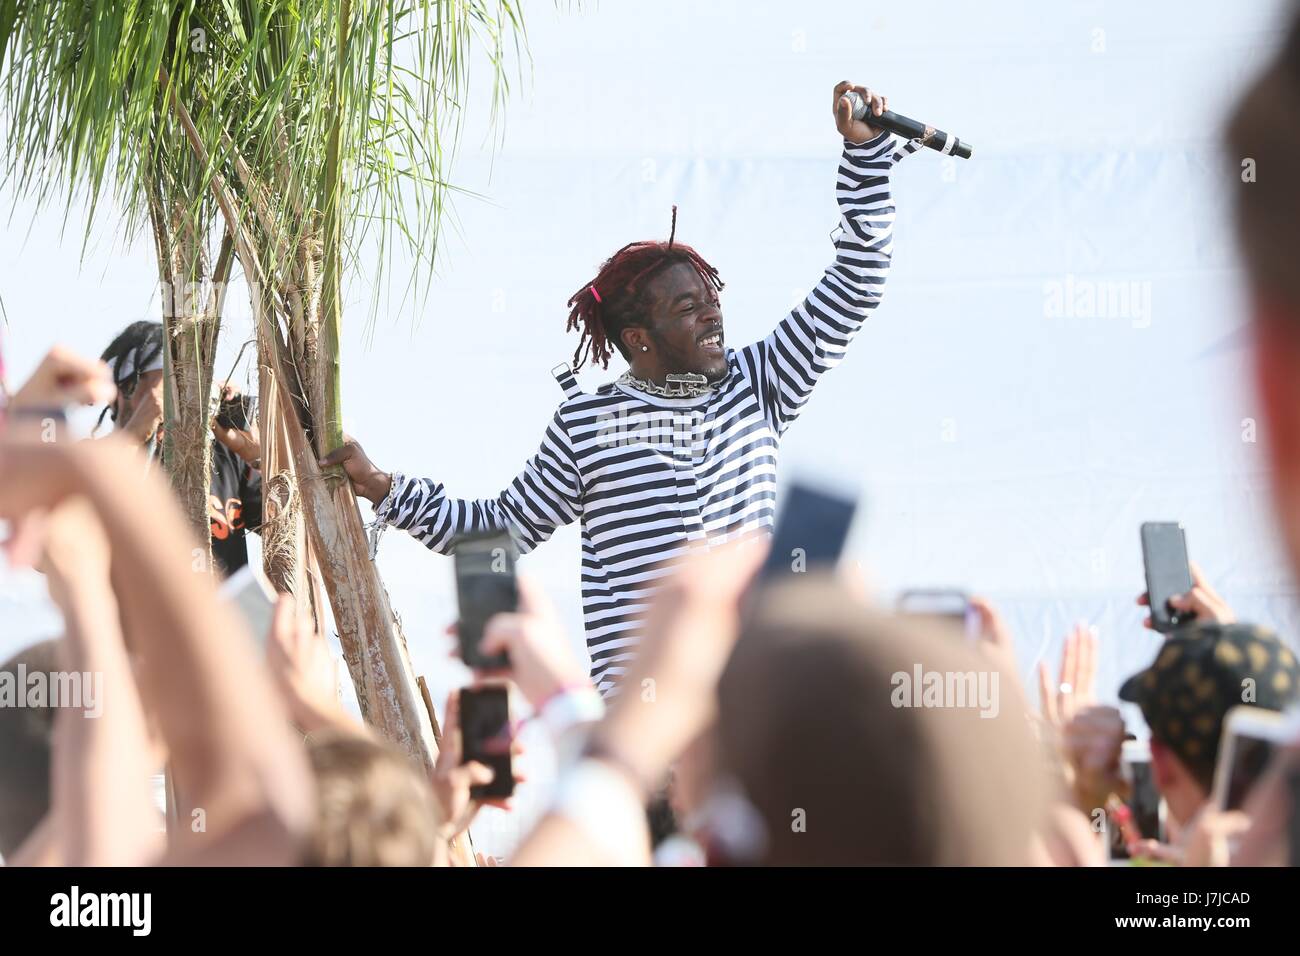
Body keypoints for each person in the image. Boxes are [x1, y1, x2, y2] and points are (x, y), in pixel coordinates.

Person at [324, 81, 932, 694]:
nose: (713, 316)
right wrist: (383, 488)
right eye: (689, 307)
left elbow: (856, 282)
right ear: (639, 338)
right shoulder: (586, 426)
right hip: (646, 728)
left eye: (713, 299)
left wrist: (864, 161)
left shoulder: (759, 382)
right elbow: (501, 532)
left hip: (753, 704)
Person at [97, 320, 263, 576]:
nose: (174, 398)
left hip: (225, 613)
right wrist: (134, 434)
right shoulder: (93, 463)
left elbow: (292, 523)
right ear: (123, 391)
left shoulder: (222, 455)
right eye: (165, 385)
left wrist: (260, 455)